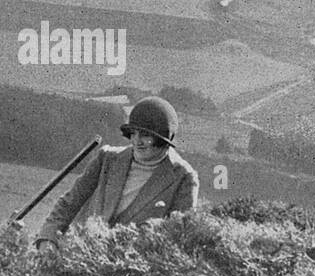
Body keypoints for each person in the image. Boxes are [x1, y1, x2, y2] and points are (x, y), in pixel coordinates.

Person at [35, 96, 198, 247]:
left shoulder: (184, 177)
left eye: (146, 135)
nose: (137, 141)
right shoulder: (107, 158)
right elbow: (69, 204)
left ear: (164, 139)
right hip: (78, 254)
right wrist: (47, 240)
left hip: (129, 269)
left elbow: (178, 236)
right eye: (134, 133)